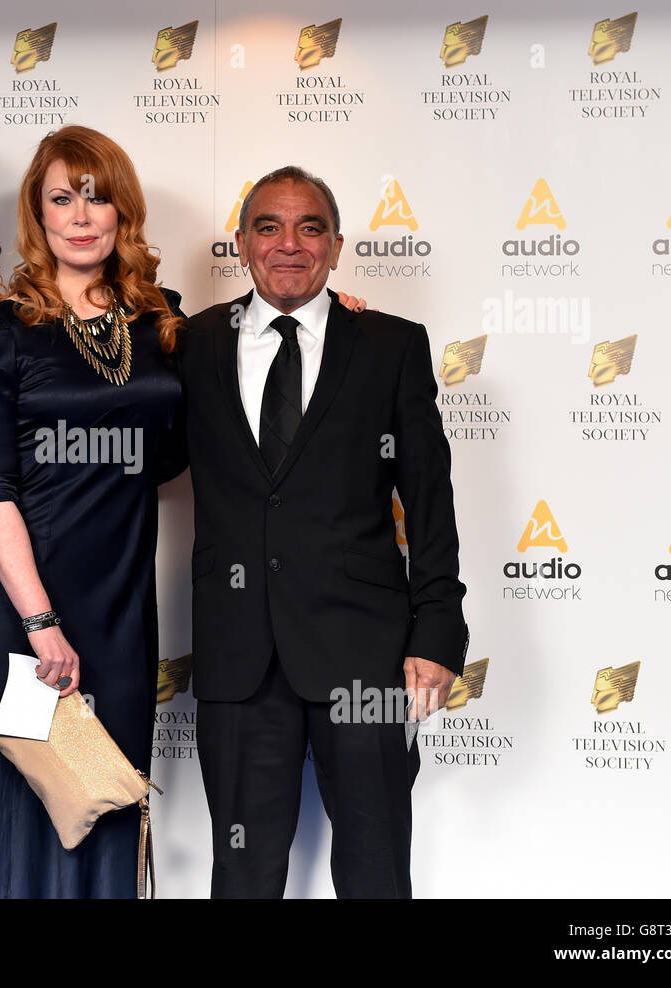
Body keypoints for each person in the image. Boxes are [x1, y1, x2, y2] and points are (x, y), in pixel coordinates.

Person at [177, 166, 468, 898]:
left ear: (336, 246)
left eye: (311, 228)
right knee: (242, 873)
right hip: (239, 655)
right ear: (241, 244)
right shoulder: (190, 344)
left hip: (366, 653)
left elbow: (429, 500)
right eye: (268, 227)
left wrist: (436, 632)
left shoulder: (390, 345)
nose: (289, 245)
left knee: (375, 867)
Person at [0, 126, 185, 898]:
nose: (81, 216)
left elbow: (185, 438)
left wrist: (338, 308)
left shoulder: (165, 326)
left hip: (119, 600)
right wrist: (40, 621)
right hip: (20, 602)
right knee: (18, 797)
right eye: (61, 199)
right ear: (36, 216)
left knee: (102, 793)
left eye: (97, 195)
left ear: (124, 211)